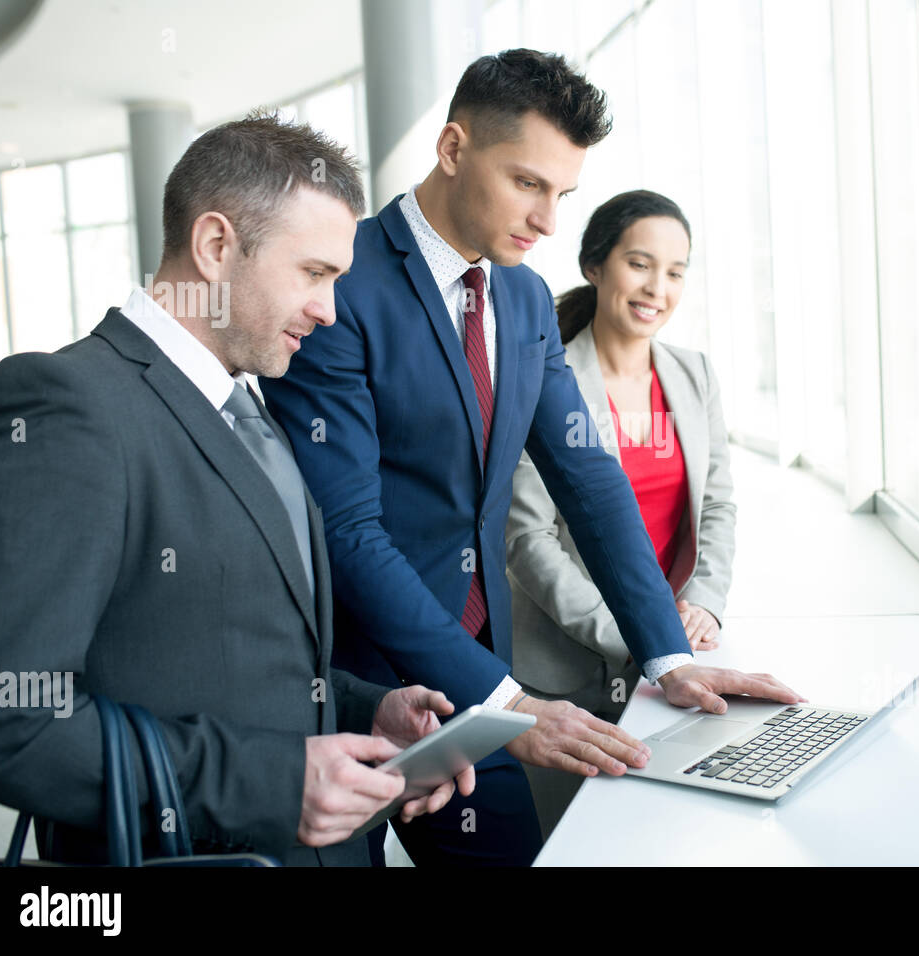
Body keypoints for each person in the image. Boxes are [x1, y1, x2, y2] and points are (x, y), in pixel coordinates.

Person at [260, 49, 801, 868]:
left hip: (486, 684)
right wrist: (509, 699)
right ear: (452, 149)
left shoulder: (521, 298)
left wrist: (670, 654)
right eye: (527, 184)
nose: (549, 220)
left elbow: (587, 478)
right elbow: (347, 530)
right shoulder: (343, 282)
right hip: (357, 688)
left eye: (563, 194)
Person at [0, 113, 472, 866]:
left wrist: (370, 710)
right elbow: (3, 714)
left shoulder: (251, 411)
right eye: (314, 273)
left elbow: (235, 652)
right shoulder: (65, 404)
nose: (330, 310)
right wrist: (267, 782)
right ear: (214, 247)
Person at [504, 189, 734, 836]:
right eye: (639, 263)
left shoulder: (695, 376)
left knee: (662, 837)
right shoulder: (548, 381)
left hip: (674, 654)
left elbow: (717, 503)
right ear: (594, 265)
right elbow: (528, 540)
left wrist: (704, 604)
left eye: (676, 271)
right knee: (567, 842)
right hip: (566, 667)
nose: (657, 287)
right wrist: (640, 635)